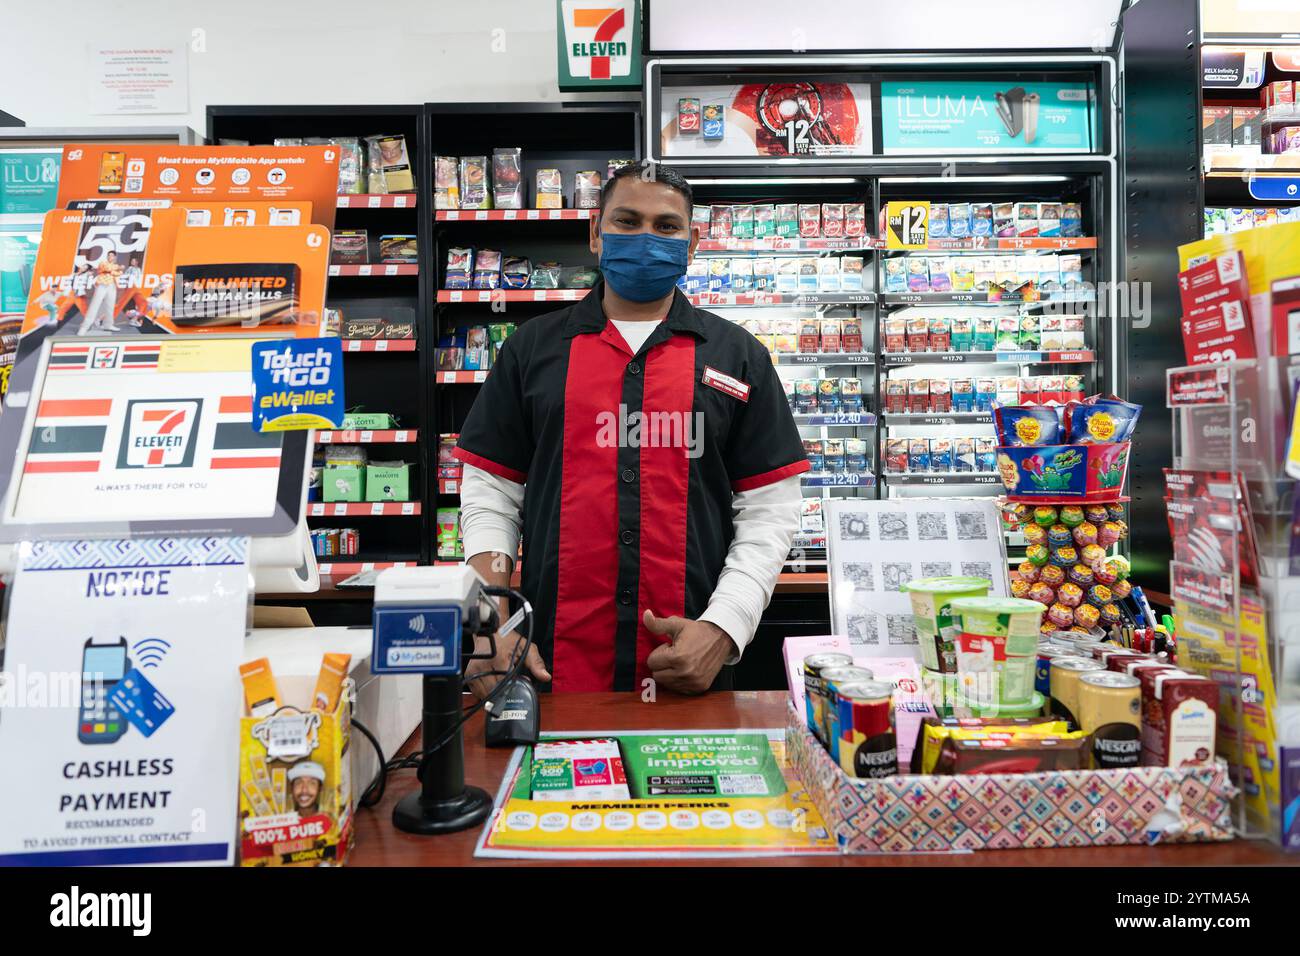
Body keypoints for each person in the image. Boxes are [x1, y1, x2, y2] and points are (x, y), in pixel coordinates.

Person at [455, 163, 807, 698]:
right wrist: (491, 619)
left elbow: (769, 509)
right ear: (595, 233)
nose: (646, 239)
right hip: (549, 666)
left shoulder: (739, 357)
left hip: (691, 672)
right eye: (627, 221)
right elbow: (492, 494)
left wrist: (723, 628)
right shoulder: (531, 350)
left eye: (667, 227)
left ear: (691, 244)